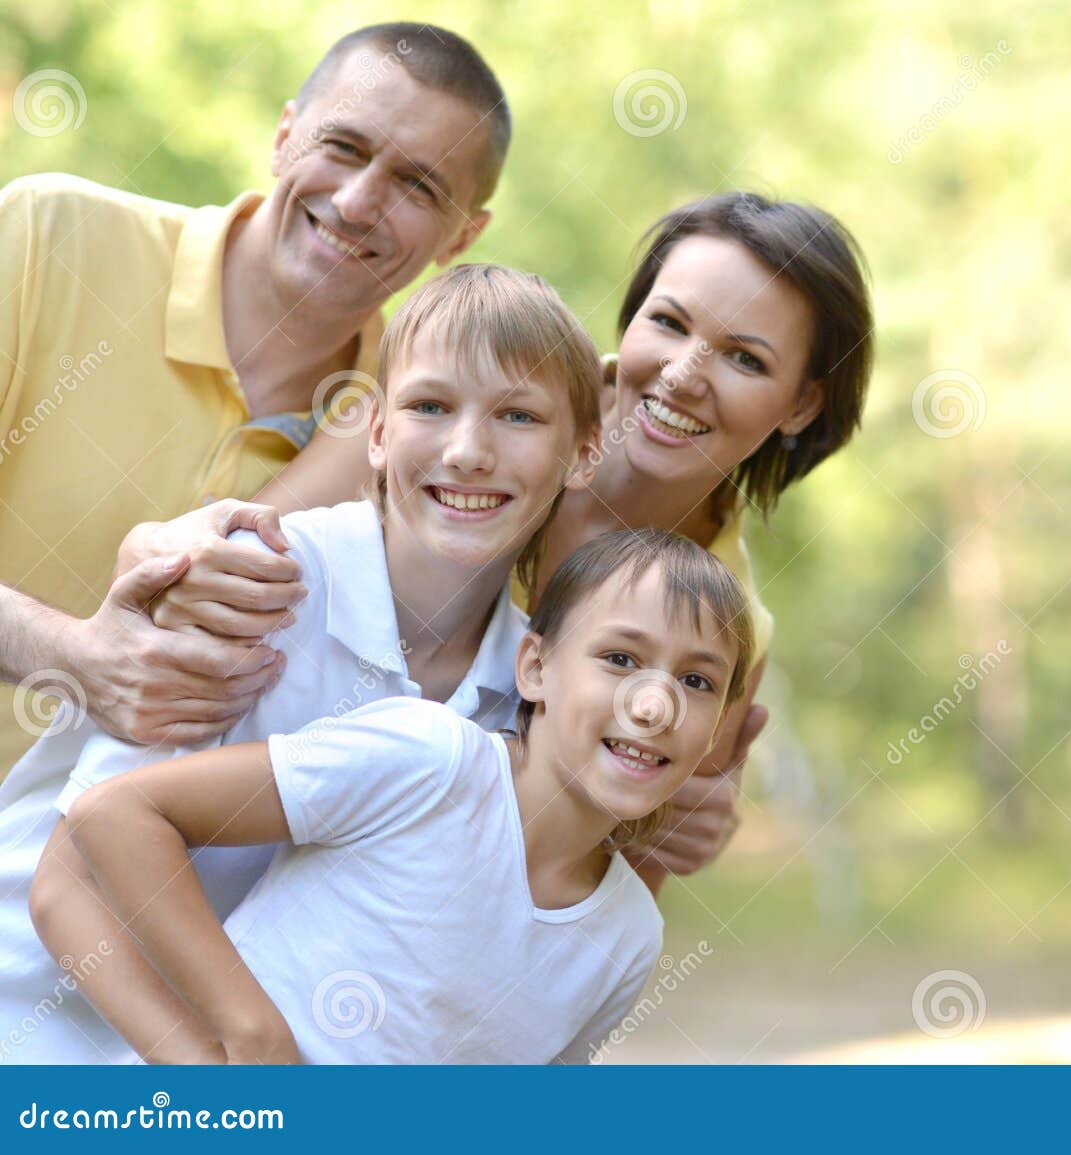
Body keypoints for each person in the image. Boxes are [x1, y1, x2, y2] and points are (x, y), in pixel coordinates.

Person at [118, 192, 878, 888]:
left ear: (802, 405)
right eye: (669, 323)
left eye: (746, 358)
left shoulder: (726, 622)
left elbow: (589, 892)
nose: (682, 374)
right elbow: (225, 561)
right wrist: (161, 551)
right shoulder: (456, 402)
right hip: (176, 834)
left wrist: (662, 826)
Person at [8, 263, 601, 1063]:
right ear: (378, 433)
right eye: (430, 406)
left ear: (584, 453)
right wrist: (228, 1083)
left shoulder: (527, 701)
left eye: (518, 415)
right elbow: (64, 885)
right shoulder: (254, 587)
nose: (468, 451)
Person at [0, 22, 508, 773]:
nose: (358, 201)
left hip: (110, 846)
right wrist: (72, 656)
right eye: (344, 147)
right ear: (284, 137)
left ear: (462, 237)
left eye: (417, 186)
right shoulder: (50, 236)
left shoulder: (420, 431)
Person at [45, 530, 754, 1063]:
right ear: (535, 668)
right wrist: (238, 1040)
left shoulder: (629, 937)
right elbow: (117, 814)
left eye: (697, 681)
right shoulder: (431, 760)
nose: (654, 705)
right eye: (620, 659)